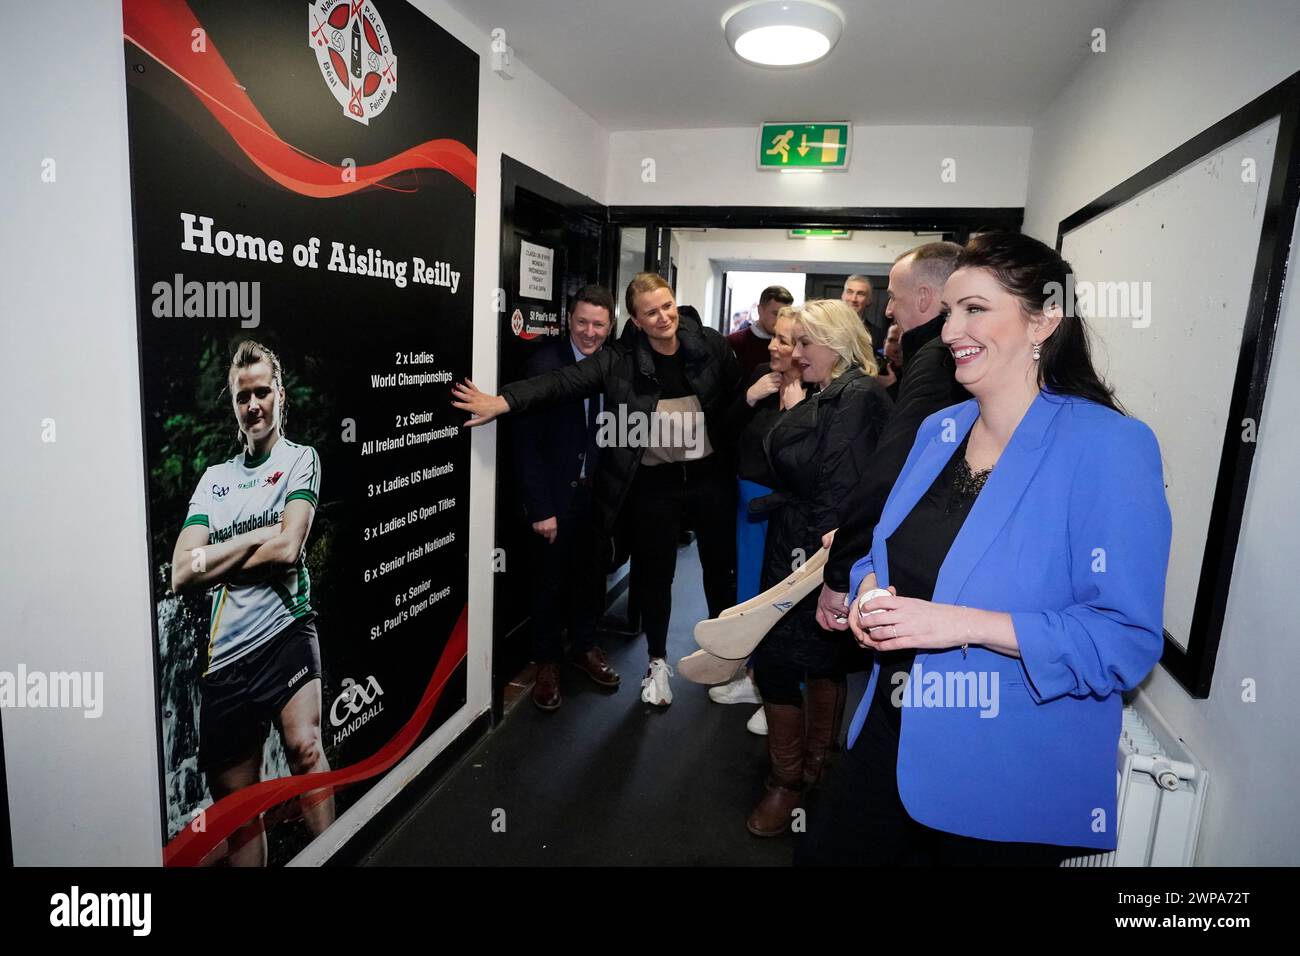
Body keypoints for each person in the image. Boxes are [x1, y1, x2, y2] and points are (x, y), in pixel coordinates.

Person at [797, 231, 1173, 865]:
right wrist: (866, 592)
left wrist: (955, 625)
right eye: (948, 312)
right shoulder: (938, 431)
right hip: (887, 738)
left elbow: (1121, 642)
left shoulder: (1108, 447)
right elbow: (879, 553)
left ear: (1044, 318)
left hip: (1000, 780)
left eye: (975, 309)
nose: (950, 331)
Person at [453, 273, 742, 708]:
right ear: (636, 321)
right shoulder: (620, 360)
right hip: (629, 491)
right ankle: (642, 663)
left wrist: (756, 397)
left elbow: (732, 401)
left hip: (678, 486)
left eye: (666, 306)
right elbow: (560, 384)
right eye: (651, 312)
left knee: (709, 573)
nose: (663, 317)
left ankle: (725, 662)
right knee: (635, 579)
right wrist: (504, 401)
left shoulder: (710, 346)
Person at [170, 339, 333, 866]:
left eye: (263, 392)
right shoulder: (213, 482)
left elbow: (289, 548)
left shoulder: (299, 461)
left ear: (280, 395)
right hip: (227, 659)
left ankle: (332, 856)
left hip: (286, 629)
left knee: (306, 749)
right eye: (244, 396)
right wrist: (249, 540)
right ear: (234, 404)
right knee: (240, 805)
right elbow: (179, 572)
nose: (254, 405)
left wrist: (216, 557)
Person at [746, 300, 893, 837]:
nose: (795, 352)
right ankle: (793, 776)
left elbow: (840, 490)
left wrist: (832, 576)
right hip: (792, 545)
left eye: (805, 343)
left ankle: (803, 779)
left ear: (834, 343)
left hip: (818, 557)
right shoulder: (829, 392)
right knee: (787, 661)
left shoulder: (856, 396)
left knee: (810, 661)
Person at [815, 241, 967, 633]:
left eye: (893, 297)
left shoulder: (938, 361)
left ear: (923, 297)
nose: (886, 309)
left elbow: (893, 468)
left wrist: (842, 566)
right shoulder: (935, 357)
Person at [512, 286, 621, 711]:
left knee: (589, 580)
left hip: (595, 501)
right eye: (582, 322)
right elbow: (527, 447)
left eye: (599, 324)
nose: (590, 332)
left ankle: (585, 647)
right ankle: (546, 664)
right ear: (568, 321)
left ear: (610, 326)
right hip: (554, 503)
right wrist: (541, 509)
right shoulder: (543, 366)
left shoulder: (615, 366)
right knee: (548, 584)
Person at [709, 306, 807, 731]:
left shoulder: (819, 392)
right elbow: (721, 432)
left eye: (785, 340)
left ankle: (784, 694)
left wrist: (796, 412)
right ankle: (753, 676)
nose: (774, 346)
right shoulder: (760, 379)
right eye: (775, 337)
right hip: (749, 500)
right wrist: (749, 398)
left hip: (787, 506)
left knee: (784, 596)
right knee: (750, 591)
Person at [726, 285, 794, 378]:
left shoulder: (792, 345)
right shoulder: (733, 342)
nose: (780, 319)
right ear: (760, 310)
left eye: (784, 314)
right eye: (775, 314)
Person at [841, 273, 882, 344]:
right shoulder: (826, 328)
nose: (853, 299)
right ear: (842, 296)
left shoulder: (878, 335)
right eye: (850, 292)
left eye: (860, 294)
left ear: (869, 300)